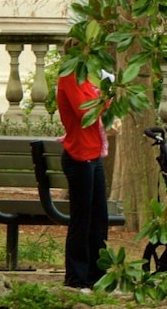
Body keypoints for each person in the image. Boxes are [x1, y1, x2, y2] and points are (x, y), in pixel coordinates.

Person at [56, 46, 111, 291]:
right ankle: (76, 279)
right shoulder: (69, 78)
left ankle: (97, 276)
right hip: (78, 156)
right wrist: (106, 96)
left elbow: (99, 105)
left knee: (99, 218)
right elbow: (85, 112)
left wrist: (106, 93)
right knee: (82, 219)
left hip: (93, 155)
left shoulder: (86, 79)